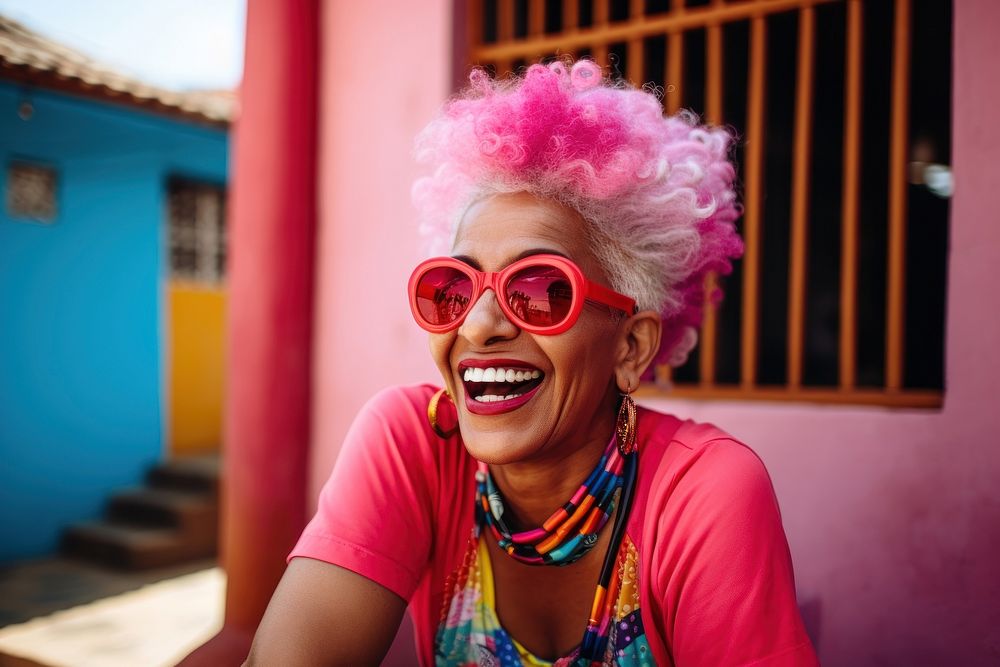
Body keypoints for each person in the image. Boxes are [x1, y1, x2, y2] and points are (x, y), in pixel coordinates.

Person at [246, 59, 819, 666]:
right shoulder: (413, 442)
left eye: (541, 289)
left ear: (630, 347)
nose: (477, 325)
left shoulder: (702, 491)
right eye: (454, 289)